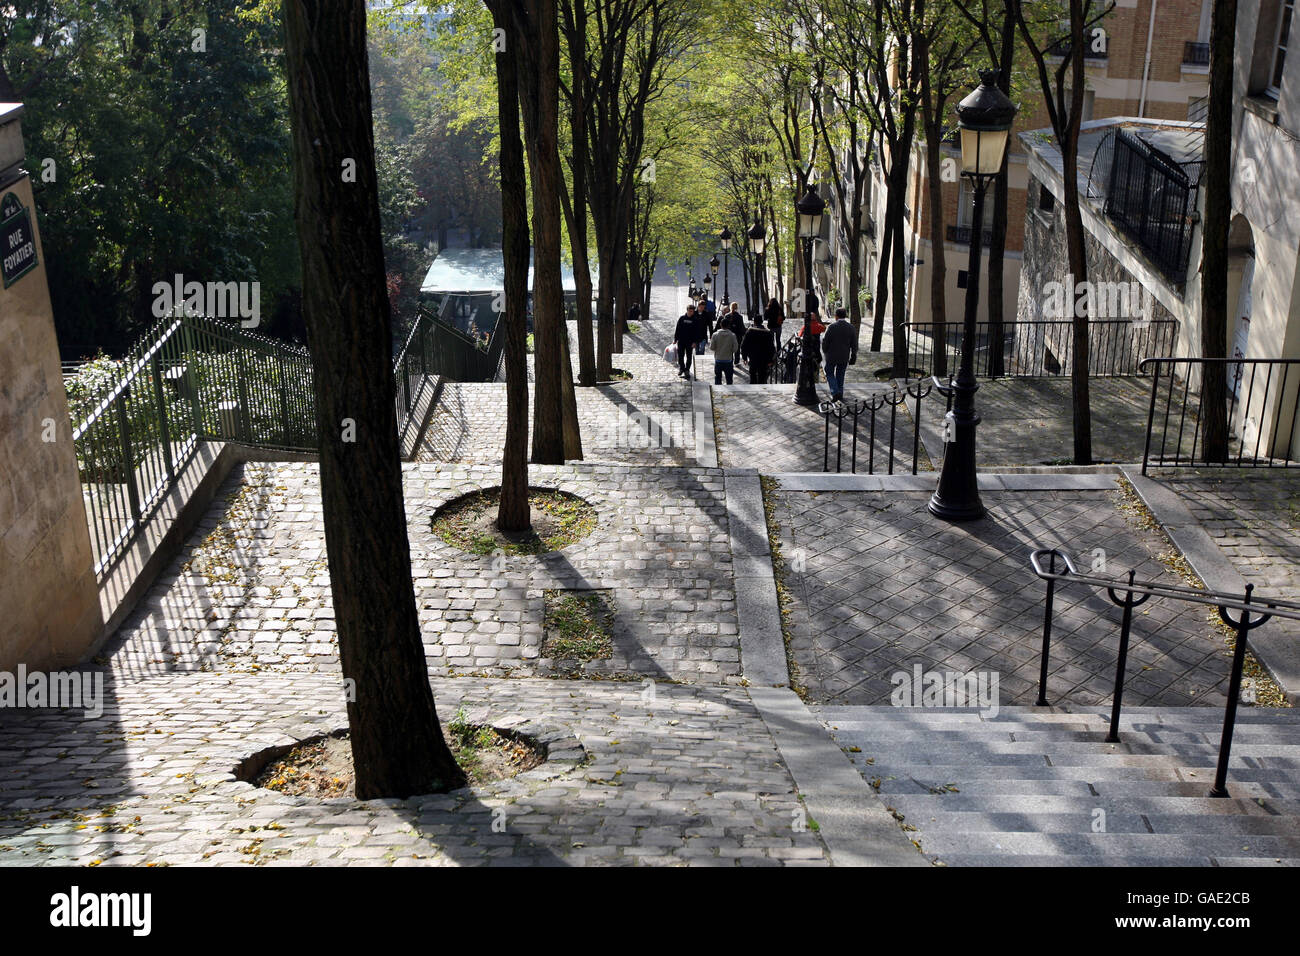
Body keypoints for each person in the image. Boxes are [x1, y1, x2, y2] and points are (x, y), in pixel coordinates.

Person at [822, 306, 858, 401]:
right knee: (840, 374)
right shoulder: (851, 327)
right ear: (845, 316)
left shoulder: (831, 327)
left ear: (836, 316)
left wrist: (825, 351)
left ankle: (835, 391)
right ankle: (840, 393)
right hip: (844, 356)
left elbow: (825, 341)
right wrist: (853, 355)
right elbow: (854, 343)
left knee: (829, 372)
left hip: (831, 356)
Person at [741, 315, 776, 385]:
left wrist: (744, 357)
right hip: (764, 359)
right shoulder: (768, 333)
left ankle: (754, 390)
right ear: (762, 322)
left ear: (754, 322)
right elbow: (771, 348)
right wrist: (770, 360)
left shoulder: (750, 332)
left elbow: (743, 346)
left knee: (753, 376)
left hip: (753, 358)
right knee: (762, 377)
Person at [674, 302, 703, 379]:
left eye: (692, 311)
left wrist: (695, 342)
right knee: (680, 356)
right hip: (681, 341)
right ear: (687, 311)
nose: (691, 313)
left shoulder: (695, 320)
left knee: (689, 356)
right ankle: (682, 368)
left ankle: (687, 370)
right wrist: (675, 339)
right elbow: (678, 329)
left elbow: (697, 332)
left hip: (690, 342)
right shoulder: (682, 318)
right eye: (690, 311)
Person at [710, 320, 740, 385]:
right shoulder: (732, 335)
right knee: (729, 379)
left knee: (718, 378)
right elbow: (735, 349)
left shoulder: (715, 335)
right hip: (728, 360)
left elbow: (712, 347)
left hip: (718, 359)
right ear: (728, 325)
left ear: (720, 325)